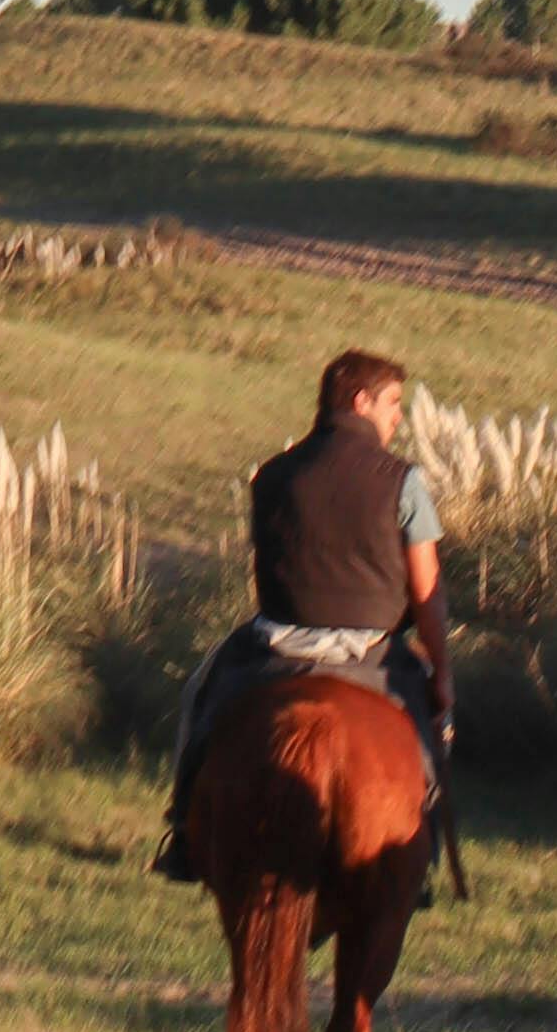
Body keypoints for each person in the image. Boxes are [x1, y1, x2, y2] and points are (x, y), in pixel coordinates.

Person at [154, 347, 447, 882]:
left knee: (198, 693)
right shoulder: (403, 481)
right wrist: (442, 672)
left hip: (276, 643)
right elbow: (427, 591)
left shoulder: (270, 476)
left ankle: (183, 826)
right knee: (428, 730)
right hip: (372, 650)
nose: (398, 417)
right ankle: (421, 849)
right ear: (359, 402)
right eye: (392, 404)